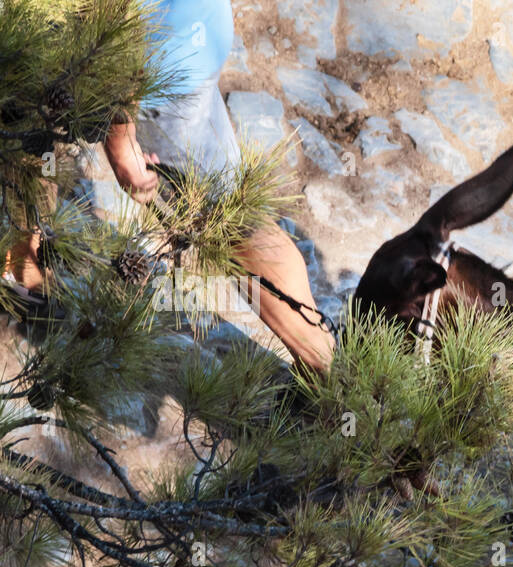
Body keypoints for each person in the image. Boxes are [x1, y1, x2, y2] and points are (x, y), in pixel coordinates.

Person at [8, 0, 333, 374]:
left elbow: (119, 21)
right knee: (29, 138)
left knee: (228, 220)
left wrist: (121, 136)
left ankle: (320, 360)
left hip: (155, 63)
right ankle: (26, 271)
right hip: (183, 35)